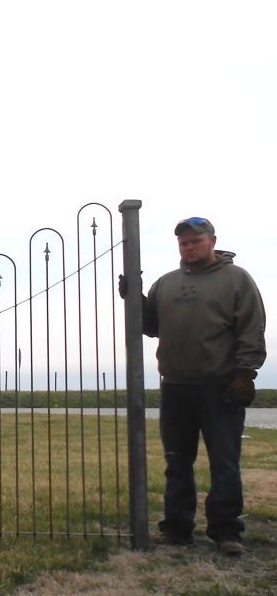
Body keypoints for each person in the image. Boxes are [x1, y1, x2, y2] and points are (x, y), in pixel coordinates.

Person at [119, 216, 266, 556]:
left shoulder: (237, 279)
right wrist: (134, 298)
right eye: (183, 242)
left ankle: (227, 532)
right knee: (177, 462)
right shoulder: (166, 284)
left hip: (221, 386)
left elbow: (251, 327)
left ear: (212, 241)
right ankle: (177, 530)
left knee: (224, 461)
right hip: (176, 386)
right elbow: (151, 326)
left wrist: (246, 373)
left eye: (196, 240)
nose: (189, 247)